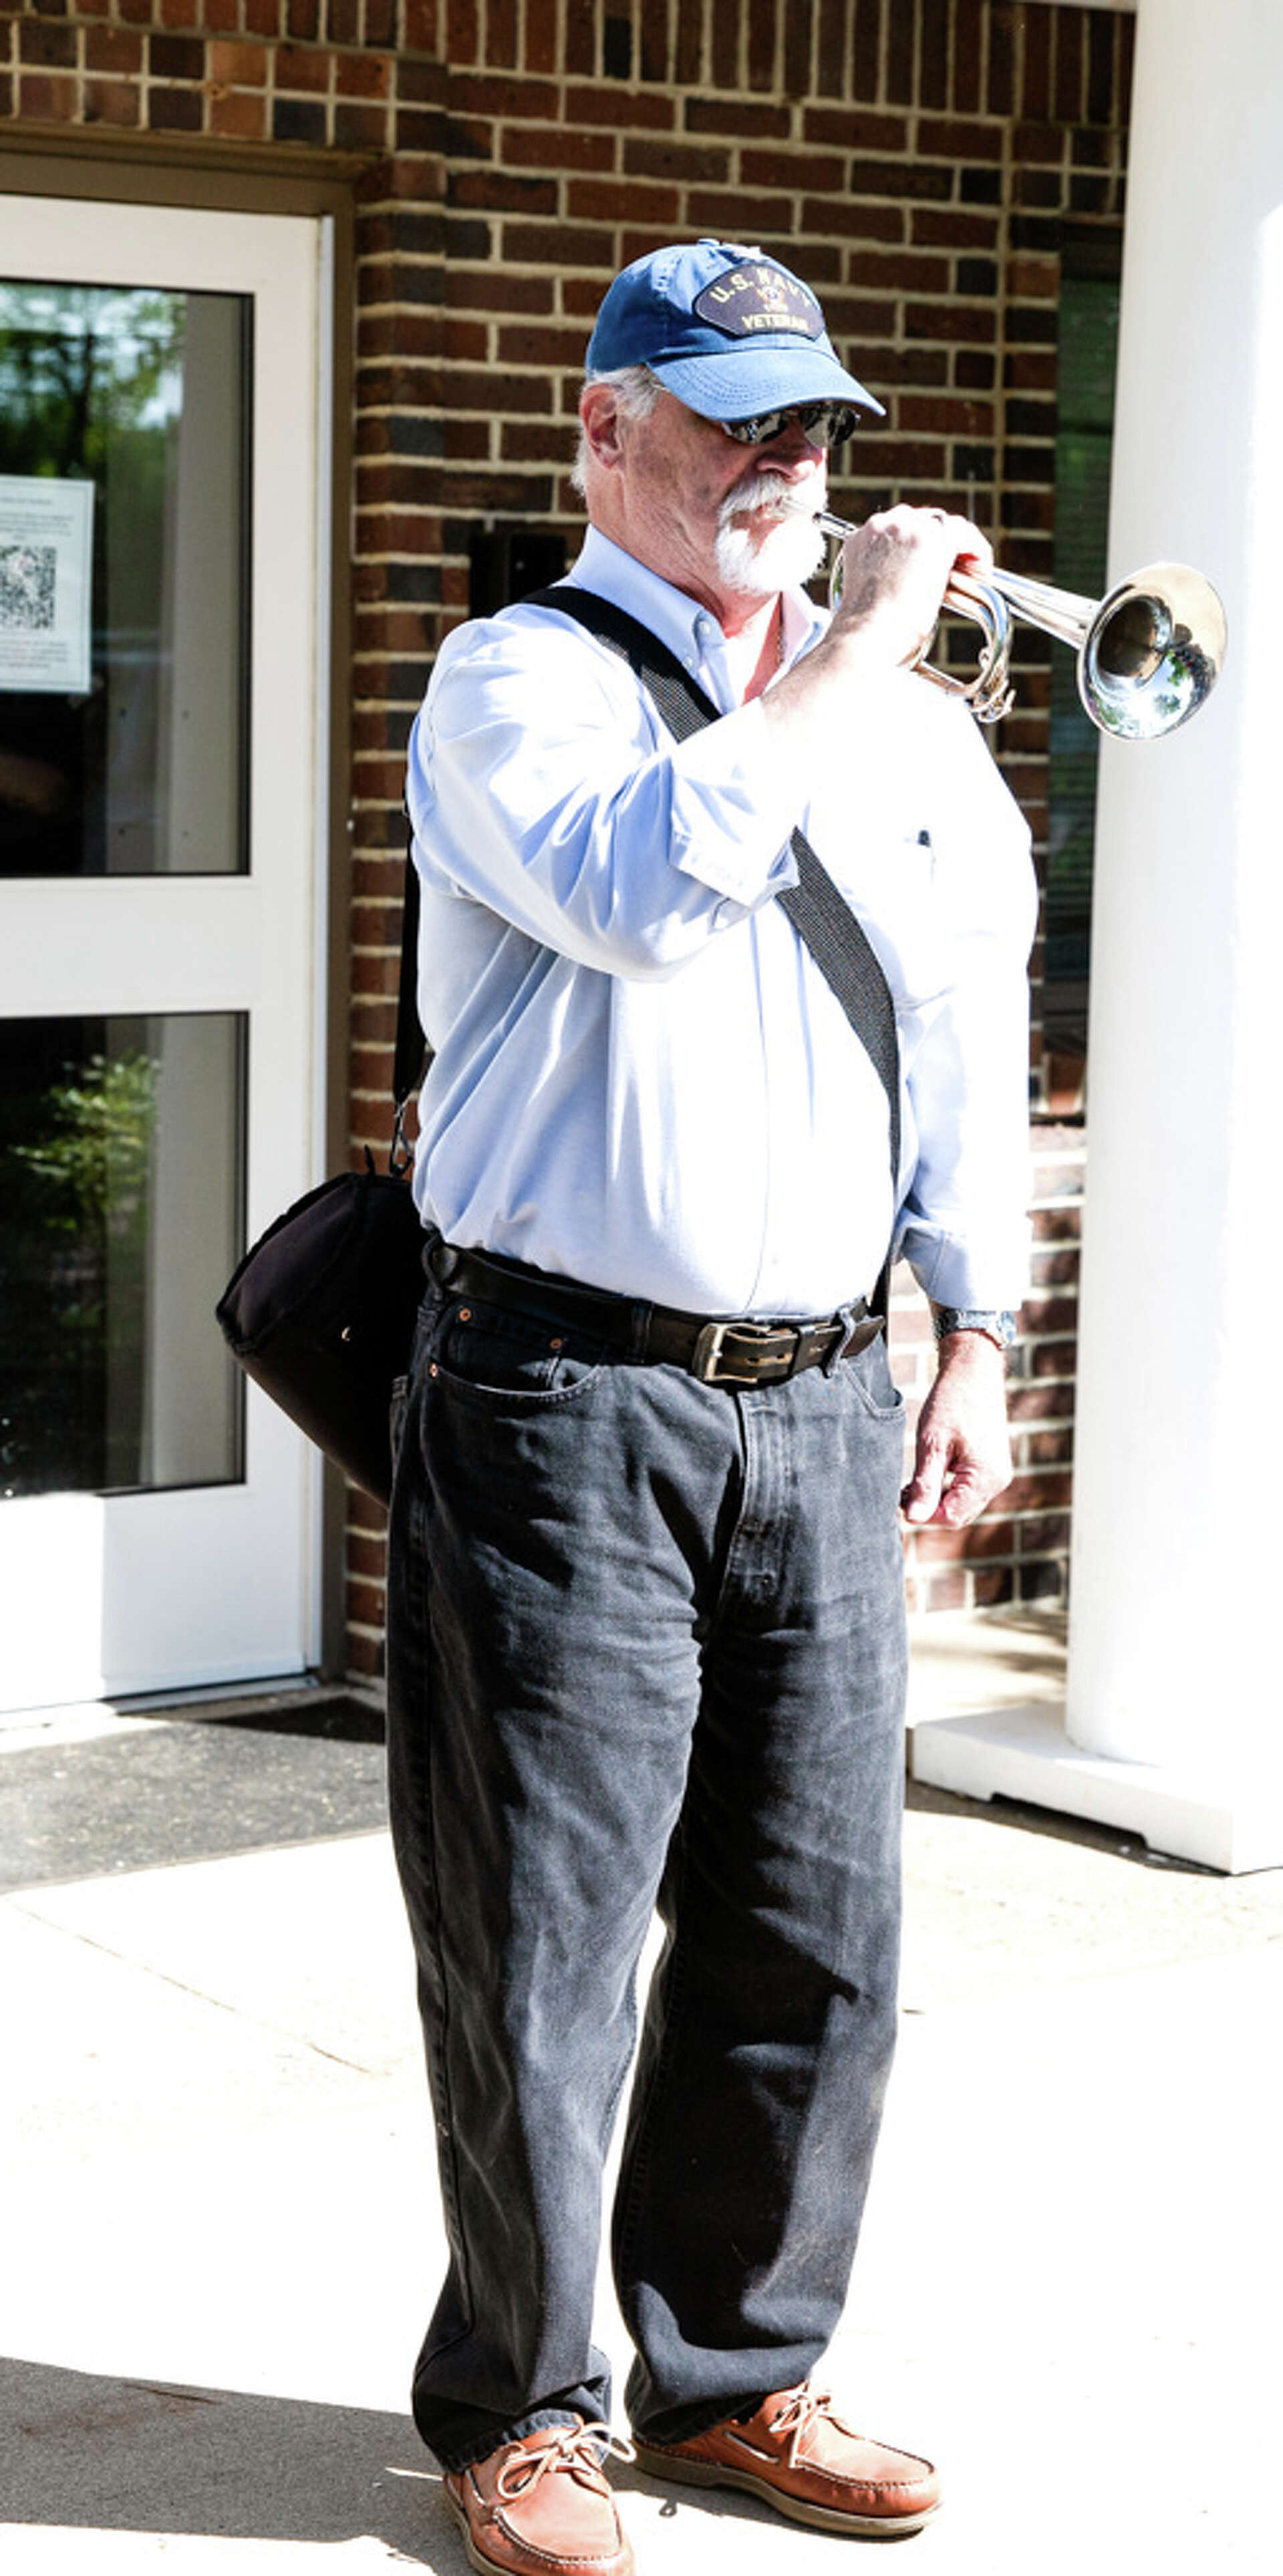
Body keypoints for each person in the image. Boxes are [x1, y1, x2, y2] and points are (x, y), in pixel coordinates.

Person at [387, 239, 1034, 2576]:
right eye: (738, 415)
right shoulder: (519, 682)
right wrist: (849, 649)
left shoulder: (924, 734)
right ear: (604, 430)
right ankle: (530, 2405)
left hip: (828, 1399)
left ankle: (739, 2373)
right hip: (565, 1386)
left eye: (813, 425)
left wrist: (979, 1325)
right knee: (545, 1932)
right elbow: (640, 892)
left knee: (815, 1927)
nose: (789, 462)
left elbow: (961, 1026)